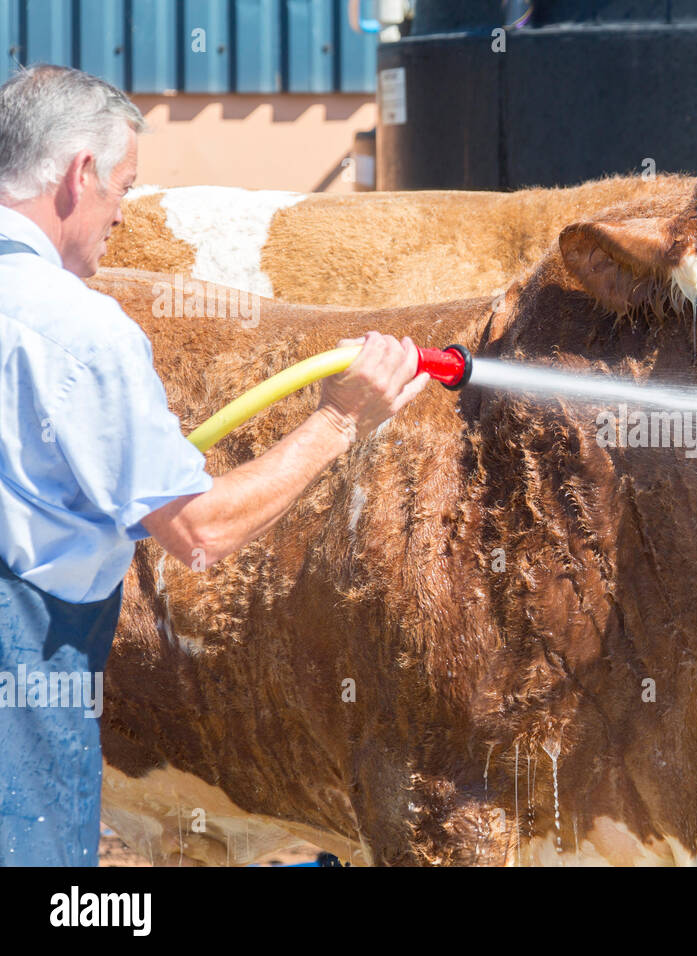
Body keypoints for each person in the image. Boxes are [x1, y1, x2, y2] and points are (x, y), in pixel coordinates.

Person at [0, 64, 431, 865]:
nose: (123, 215)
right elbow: (200, 531)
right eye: (124, 187)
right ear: (79, 175)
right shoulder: (81, 333)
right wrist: (342, 420)